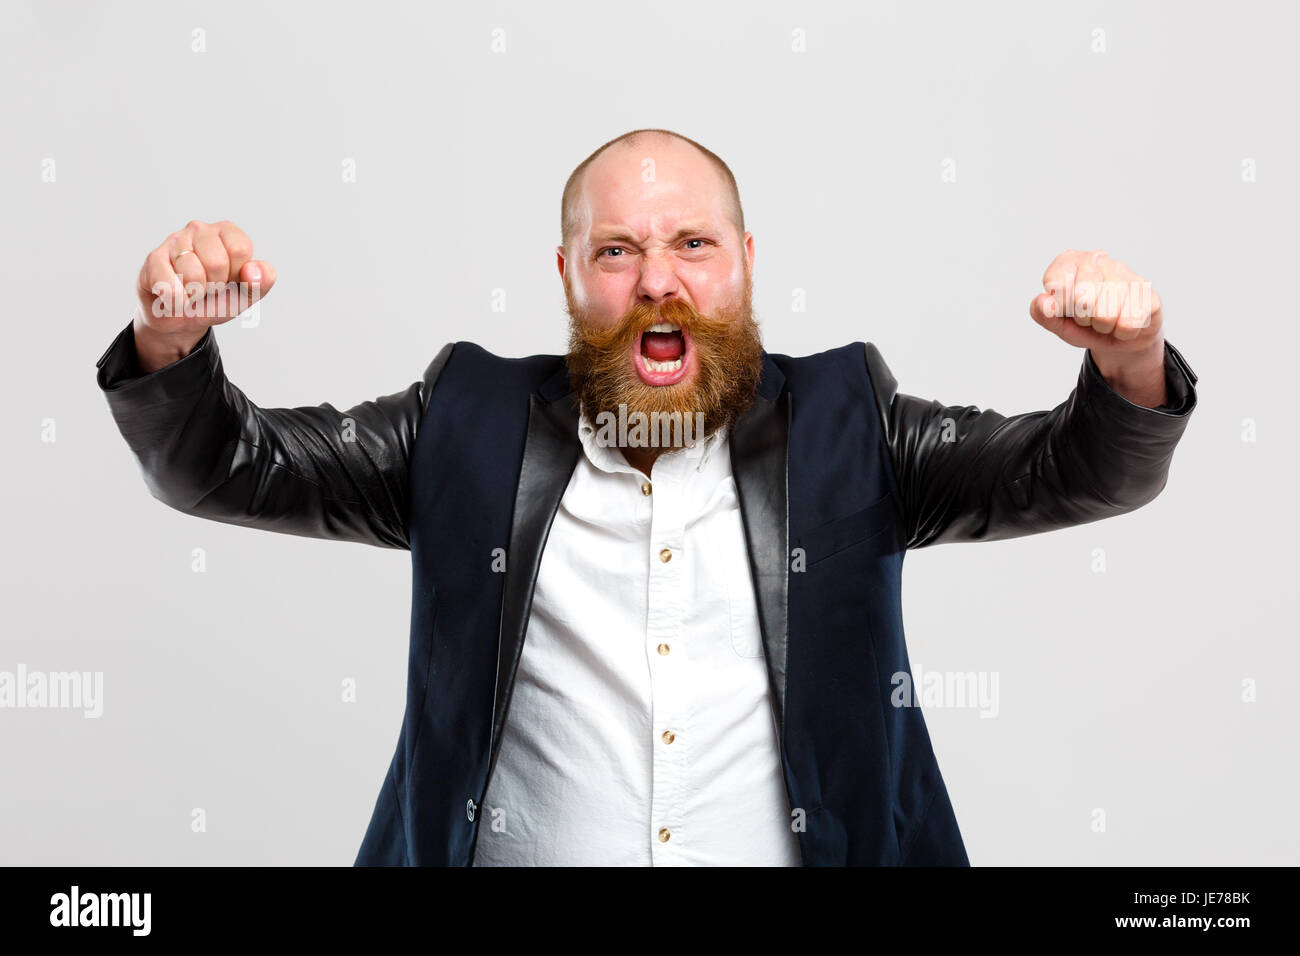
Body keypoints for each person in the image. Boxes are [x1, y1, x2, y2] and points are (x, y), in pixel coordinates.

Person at [95, 128, 1199, 865]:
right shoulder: (465, 423)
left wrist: (1130, 361)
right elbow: (225, 467)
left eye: (691, 242)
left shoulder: (848, 424)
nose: (656, 279)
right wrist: (171, 340)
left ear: (746, 263)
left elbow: (1080, 469)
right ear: (569, 276)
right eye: (615, 248)